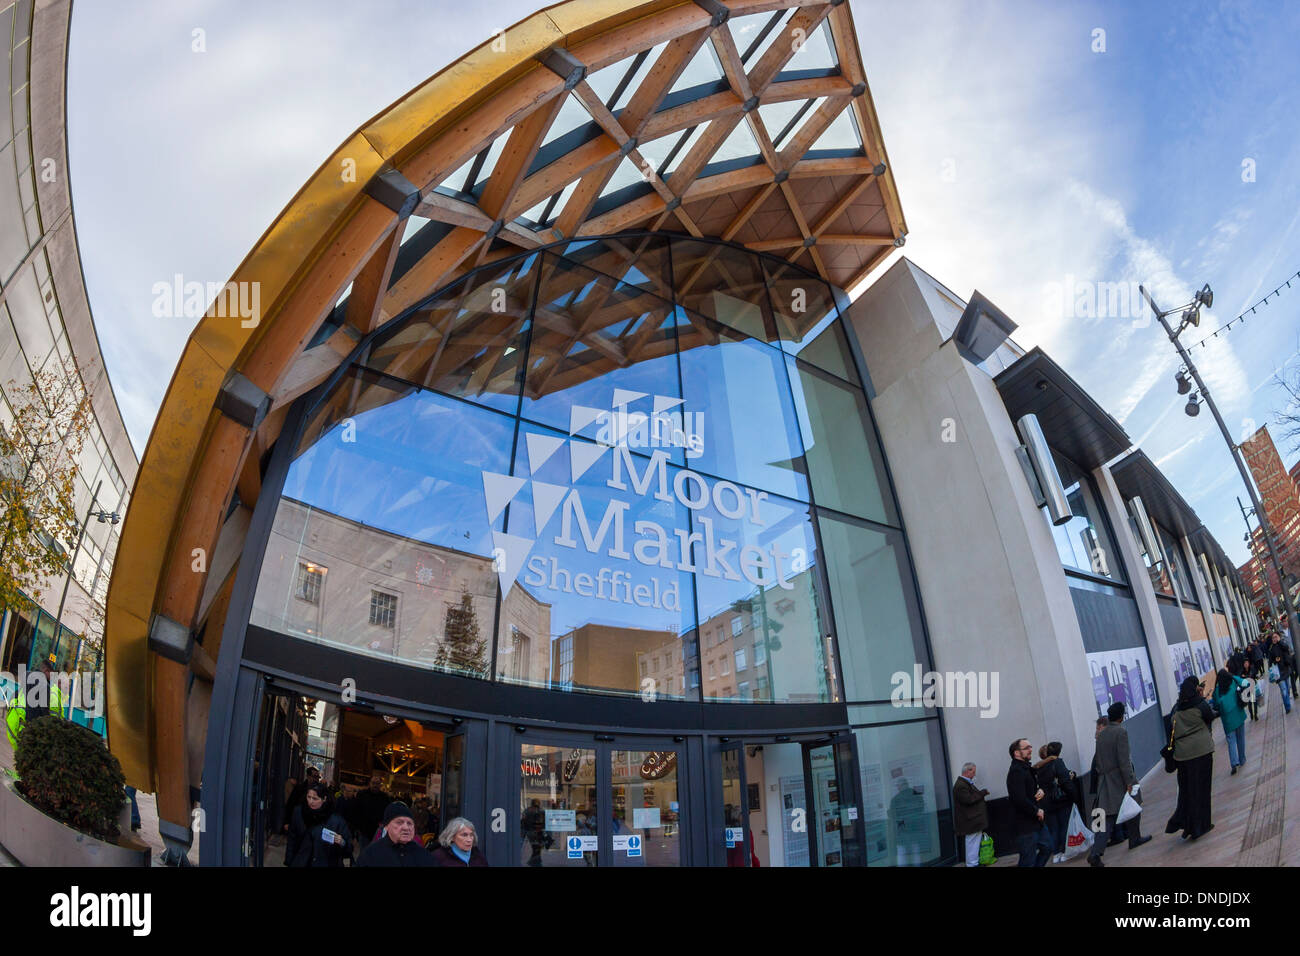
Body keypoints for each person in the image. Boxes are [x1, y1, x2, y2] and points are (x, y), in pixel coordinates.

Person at [1086, 702, 1151, 866]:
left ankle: (1095, 852)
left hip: (1104, 781)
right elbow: (1124, 760)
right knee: (1134, 805)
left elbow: (1098, 760)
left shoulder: (1101, 735)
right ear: (1122, 716)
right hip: (1119, 780)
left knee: (1105, 818)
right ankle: (1134, 838)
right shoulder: (1120, 732)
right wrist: (1129, 781)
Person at [1166, 675, 1216, 841]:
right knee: (1203, 789)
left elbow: (1170, 732)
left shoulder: (1176, 710)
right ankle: (1203, 825)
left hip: (1183, 757)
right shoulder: (1200, 705)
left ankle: (1189, 826)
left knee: (1188, 791)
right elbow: (1210, 716)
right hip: (1202, 751)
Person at [286, 781, 352, 867]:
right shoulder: (298, 812)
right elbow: (292, 838)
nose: (310, 801)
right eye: (308, 797)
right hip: (301, 861)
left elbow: (348, 849)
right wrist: (289, 861)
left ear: (324, 799)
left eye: (315, 798)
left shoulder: (336, 820)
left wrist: (342, 842)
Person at [1006, 738, 1051, 867]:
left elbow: (1030, 788)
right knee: (1028, 860)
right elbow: (1018, 798)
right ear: (1016, 753)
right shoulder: (1016, 771)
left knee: (1047, 847)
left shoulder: (1026, 768)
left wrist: (1040, 790)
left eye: (1030, 747)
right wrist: (1036, 810)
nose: (1030, 750)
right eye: (1026, 748)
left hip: (1036, 822)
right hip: (1025, 825)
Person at [355, 802, 435, 867]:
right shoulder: (370, 854)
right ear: (386, 827)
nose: (406, 828)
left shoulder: (423, 855)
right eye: (399, 822)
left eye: (409, 823)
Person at [1034, 742, 1076, 864]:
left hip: (1046, 802)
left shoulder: (1038, 768)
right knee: (1064, 826)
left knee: (1053, 829)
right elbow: (1065, 781)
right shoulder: (1057, 763)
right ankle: (1063, 852)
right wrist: (1074, 796)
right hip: (1061, 800)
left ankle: (1056, 853)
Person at [952, 762, 989, 867]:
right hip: (970, 819)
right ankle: (972, 864)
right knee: (972, 841)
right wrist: (982, 793)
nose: (974, 774)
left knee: (974, 841)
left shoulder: (965, 783)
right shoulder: (960, 785)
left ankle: (974, 862)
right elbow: (968, 800)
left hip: (973, 819)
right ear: (967, 771)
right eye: (973, 771)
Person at [1211, 667, 1248, 774]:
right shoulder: (1234, 680)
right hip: (1238, 713)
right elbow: (1246, 683)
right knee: (1241, 738)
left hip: (1227, 719)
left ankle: (1234, 763)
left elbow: (1216, 704)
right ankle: (1242, 759)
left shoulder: (1217, 689)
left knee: (1231, 741)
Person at [349, 774, 392, 850]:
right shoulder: (362, 794)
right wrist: (356, 828)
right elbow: (355, 811)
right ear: (370, 783)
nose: (375, 785)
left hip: (378, 831)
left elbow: (388, 814)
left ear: (380, 785)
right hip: (364, 831)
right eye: (373, 783)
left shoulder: (385, 797)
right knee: (364, 853)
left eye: (377, 783)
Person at [1268, 635, 1294, 714]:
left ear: (1278, 637)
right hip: (1278, 673)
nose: (1274, 639)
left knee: (1288, 688)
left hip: (1285, 669)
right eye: (1273, 638)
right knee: (1284, 690)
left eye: (1276, 637)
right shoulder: (1271, 649)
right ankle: (1287, 707)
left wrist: (1280, 641)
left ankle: (1287, 703)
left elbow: (1286, 648)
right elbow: (1270, 663)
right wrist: (1275, 661)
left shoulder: (1282, 644)